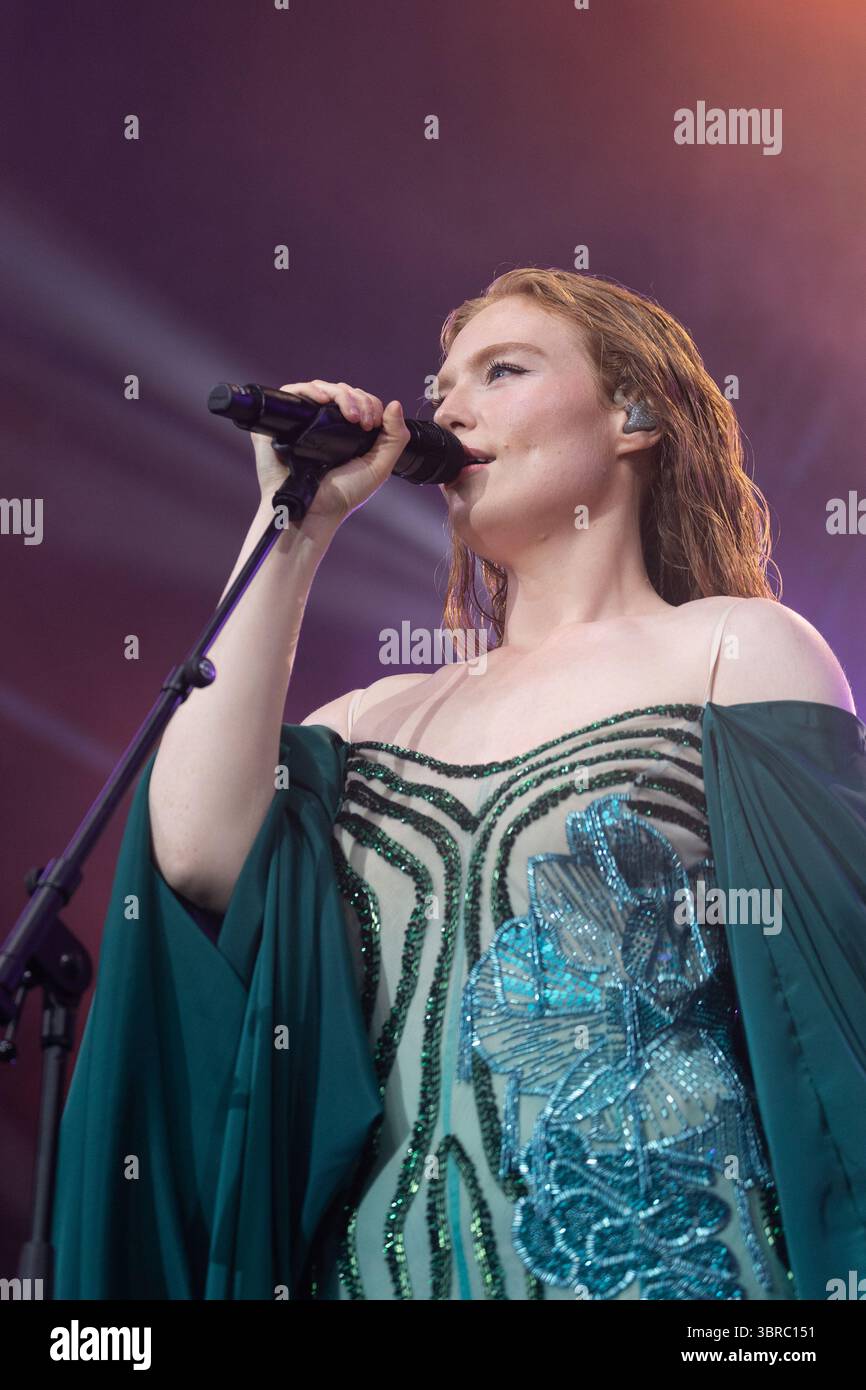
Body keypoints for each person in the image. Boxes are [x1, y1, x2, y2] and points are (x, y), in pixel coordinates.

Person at [51, 269, 866, 1302]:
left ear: (635, 414)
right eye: (440, 387)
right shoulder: (366, 721)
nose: (447, 408)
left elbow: (833, 1026)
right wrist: (287, 526)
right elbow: (195, 859)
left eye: (502, 370)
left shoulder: (731, 651)